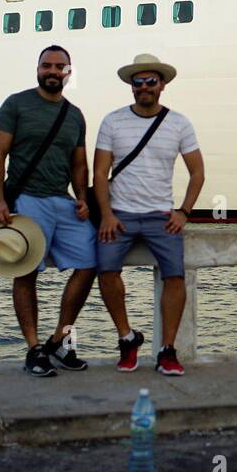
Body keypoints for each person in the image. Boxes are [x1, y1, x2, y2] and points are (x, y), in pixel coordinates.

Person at [0, 46, 97, 377]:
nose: (52, 70)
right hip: (27, 200)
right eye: (46, 65)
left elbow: (79, 163)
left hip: (62, 202)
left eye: (59, 66)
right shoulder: (16, 104)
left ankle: (58, 340)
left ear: (68, 71)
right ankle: (34, 348)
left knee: (91, 260)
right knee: (26, 271)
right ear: (37, 69)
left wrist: (81, 196)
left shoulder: (74, 114)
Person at [93, 54, 204, 374]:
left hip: (161, 216)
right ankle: (127, 338)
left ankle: (167, 350)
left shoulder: (179, 123)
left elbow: (197, 172)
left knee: (175, 277)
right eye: (137, 82)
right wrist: (107, 215)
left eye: (150, 82)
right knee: (106, 272)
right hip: (120, 215)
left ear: (162, 85)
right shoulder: (112, 121)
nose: (143, 87)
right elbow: (100, 174)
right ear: (131, 87)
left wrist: (183, 211)